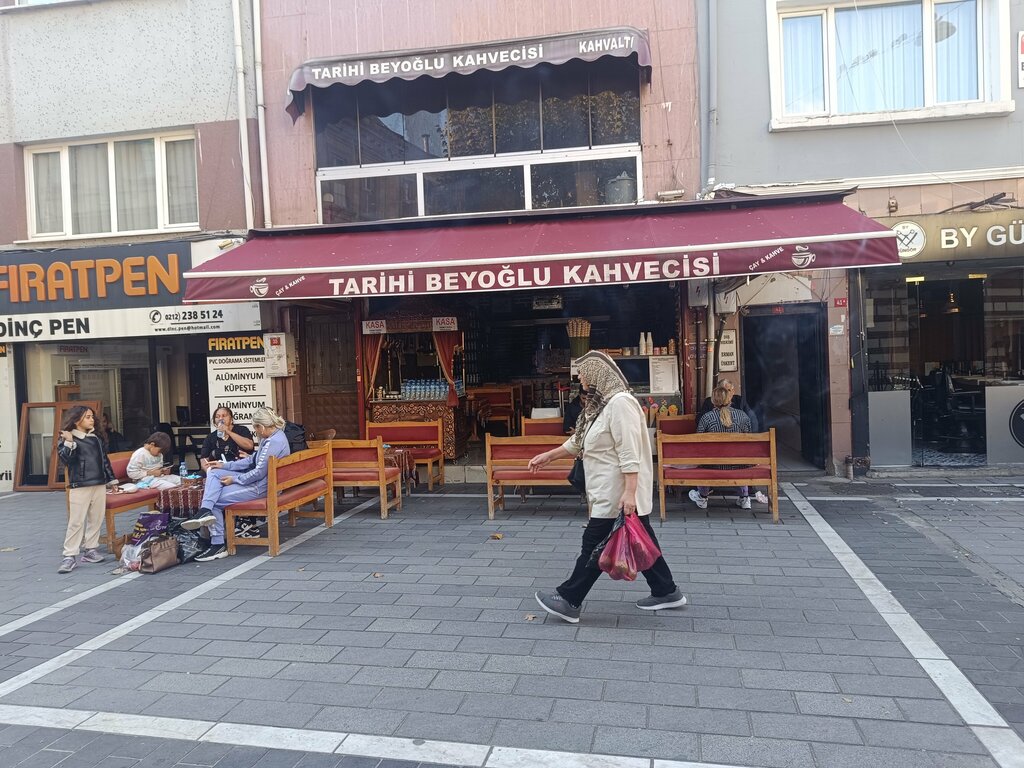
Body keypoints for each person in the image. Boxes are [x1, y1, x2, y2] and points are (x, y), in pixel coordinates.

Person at [527, 350, 686, 624]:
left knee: (594, 544)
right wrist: (549, 456)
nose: (582, 381)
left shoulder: (620, 404)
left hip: (617, 493)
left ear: (599, 374)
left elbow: (629, 452)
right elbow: (580, 442)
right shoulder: (600, 406)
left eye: (585, 374)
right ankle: (666, 590)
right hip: (608, 491)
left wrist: (630, 492)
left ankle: (569, 598)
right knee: (642, 540)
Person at [181, 407, 291, 562]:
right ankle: (205, 510)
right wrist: (224, 466)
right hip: (263, 481)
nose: (257, 432)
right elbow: (252, 460)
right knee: (212, 471)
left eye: (257, 429)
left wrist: (234, 480)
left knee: (216, 500)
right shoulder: (275, 436)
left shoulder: (273, 442)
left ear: (262, 427)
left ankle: (217, 544)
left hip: (260, 487)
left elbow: (258, 472)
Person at [57, 405, 116, 574]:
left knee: (96, 518)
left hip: (98, 483)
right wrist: (68, 442)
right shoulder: (68, 438)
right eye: (88, 417)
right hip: (80, 485)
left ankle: (91, 549)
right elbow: (66, 460)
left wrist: (112, 479)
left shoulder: (96, 438)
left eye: (92, 417)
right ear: (77, 420)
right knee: (76, 521)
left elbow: (104, 460)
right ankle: (69, 556)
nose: (92, 420)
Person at [689, 385, 753, 510]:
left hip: (712, 464)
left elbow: (699, 441)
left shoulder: (706, 417)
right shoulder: (743, 416)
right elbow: (748, 440)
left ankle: (702, 496)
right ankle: (744, 498)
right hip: (739, 464)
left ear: (713, 401)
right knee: (740, 454)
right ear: (730, 399)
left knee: (703, 459)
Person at [199, 407, 258, 538]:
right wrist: (209, 470)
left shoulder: (241, 430)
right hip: (219, 472)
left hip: (240, 471)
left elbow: (249, 446)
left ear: (231, 418)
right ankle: (208, 528)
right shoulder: (211, 437)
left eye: (224, 415)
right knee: (210, 481)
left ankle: (235, 525)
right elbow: (204, 459)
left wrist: (228, 432)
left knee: (215, 496)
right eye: (218, 416)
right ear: (214, 420)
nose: (221, 418)